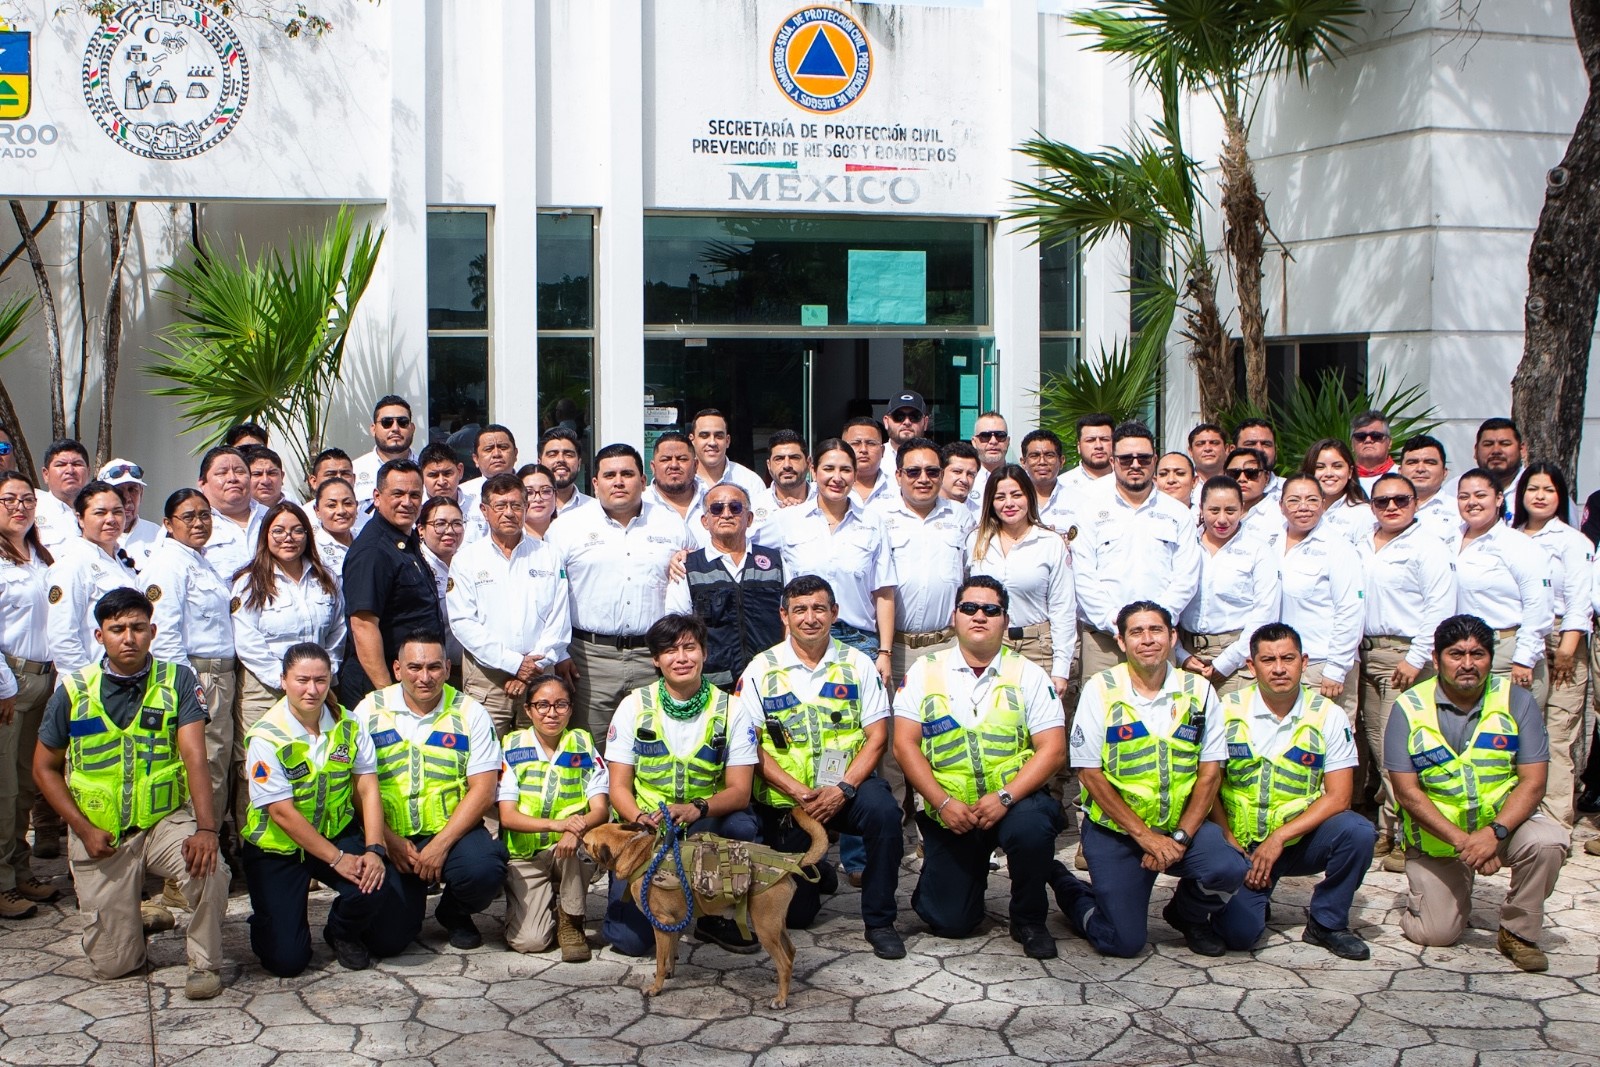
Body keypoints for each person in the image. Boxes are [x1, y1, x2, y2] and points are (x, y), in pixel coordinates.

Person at [32, 587, 228, 999]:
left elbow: (195, 756)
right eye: (117, 629)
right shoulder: (74, 690)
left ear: (152, 632)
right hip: (101, 832)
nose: (129, 638)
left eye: (138, 628)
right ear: (99, 635)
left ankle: (204, 963)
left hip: (162, 822)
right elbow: (44, 768)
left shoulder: (178, 680)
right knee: (116, 965)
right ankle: (136, 917)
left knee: (211, 867)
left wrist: (207, 829)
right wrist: (82, 829)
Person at [1051, 601, 1248, 958]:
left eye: (1156, 630)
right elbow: (1089, 774)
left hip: (1179, 827)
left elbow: (1209, 774)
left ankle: (1188, 915)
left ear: (1172, 637)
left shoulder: (1200, 691)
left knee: (1229, 867)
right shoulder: (1100, 689)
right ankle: (1072, 892)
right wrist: (1145, 837)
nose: (1147, 640)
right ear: (1121, 641)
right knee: (1122, 942)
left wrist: (1180, 838)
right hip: (1118, 832)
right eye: (1136, 632)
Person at [894, 576, 1068, 959]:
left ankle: (1029, 918)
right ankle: (950, 880)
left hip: (1013, 803)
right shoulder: (925, 670)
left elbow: (1053, 750)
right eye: (969, 608)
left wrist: (1005, 797)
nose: (979, 616)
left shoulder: (1029, 674)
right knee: (951, 922)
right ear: (954, 616)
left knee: (1033, 829)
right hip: (952, 811)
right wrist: (941, 803)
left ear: (1005, 620)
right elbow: (904, 744)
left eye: (991, 610)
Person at [1387, 615, 1569, 972]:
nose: (1467, 664)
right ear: (1436, 659)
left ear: (1491, 658)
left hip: (1502, 829)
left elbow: (1533, 782)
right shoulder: (1408, 707)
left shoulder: (1517, 701)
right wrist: (1467, 844)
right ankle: (1439, 894)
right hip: (1438, 840)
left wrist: (1492, 834)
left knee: (1549, 841)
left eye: (1478, 654)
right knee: (1437, 933)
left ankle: (1518, 932)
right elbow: (1407, 793)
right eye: (1456, 654)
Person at [742, 576, 905, 958]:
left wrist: (843, 789)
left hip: (847, 789)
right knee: (799, 916)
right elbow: (751, 746)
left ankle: (880, 921)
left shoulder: (857, 664)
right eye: (799, 610)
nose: (810, 618)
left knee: (884, 813)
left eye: (819, 608)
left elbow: (877, 737)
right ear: (784, 616)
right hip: (788, 801)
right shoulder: (760, 669)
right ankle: (823, 872)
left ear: (834, 612)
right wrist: (797, 791)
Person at [240, 643, 408, 975]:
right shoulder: (266, 736)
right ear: (283, 681)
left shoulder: (349, 723)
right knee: (287, 961)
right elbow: (281, 813)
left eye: (320, 680)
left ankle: (341, 931)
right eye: (302, 680)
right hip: (279, 848)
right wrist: (337, 859)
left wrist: (374, 849)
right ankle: (271, 920)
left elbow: (367, 787)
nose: (312, 690)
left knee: (374, 885)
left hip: (334, 832)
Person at [1209, 624, 1374, 958]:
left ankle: (1327, 923)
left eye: (1288, 658)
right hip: (1239, 843)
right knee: (1238, 936)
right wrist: (1229, 841)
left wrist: (1279, 839)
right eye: (1268, 660)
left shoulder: (1329, 715)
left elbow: (1340, 797)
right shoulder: (1225, 710)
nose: (1279, 668)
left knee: (1358, 831)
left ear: (1304, 662)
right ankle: (1250, 894)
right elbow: (1209, 785)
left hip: (1297, 842)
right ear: (1251, 666)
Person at [601, 613, 760, 957]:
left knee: (740, 825)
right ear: (656, 660)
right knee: (629, 942)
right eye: (670, 650)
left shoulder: (732, 709)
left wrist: (696, 808)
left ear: (705, 652)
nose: (682, 658)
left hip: (703, 821)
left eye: (690, 647)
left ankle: (713, 912)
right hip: (646, 830)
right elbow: (618, 788)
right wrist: (639, 818)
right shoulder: (633, 706)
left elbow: (739, 791)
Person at [356, 629, 507, 950]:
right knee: (387, 942)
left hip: (450, 833)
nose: (424, 677)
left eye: (434, 667)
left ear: (448, 669)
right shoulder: (368, 711)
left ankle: (454, 912)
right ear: (397, 669)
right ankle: (397, 909)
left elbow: (483, 789)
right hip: (390, 836)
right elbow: (356, 787)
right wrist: (386, 840)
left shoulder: (470, 712)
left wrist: (440, 845)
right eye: (414, 667)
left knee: (484, 870)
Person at [546, 443, 692, 738]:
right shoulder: (566, 528)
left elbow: (693, 576)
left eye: (627, 474)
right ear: (595, 482)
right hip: (589, 660)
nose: (619, 482)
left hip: (653, 657)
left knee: (654, 744)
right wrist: (558, 653)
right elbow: (548, 596)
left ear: (643, 480)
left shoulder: (671, 524)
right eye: (610, 475)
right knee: (591, 746)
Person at [1359, 472, 1459, 869]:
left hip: (1404, 657)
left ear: (1415, 503)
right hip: (1367, 654)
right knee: (1377, 746)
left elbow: (1440, 605)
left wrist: (1416, 657)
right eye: (1382, 501)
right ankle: (1387, 828)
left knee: (1398, 750)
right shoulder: (1362, 542)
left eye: (1400, 499)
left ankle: (1407, 833)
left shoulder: (1427, 546)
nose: (1391, 507)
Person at [231, 501, 346, 817]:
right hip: (265, 688)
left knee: (314, 760)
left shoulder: (326, 578)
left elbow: (338, 630)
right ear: (265, 536)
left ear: (308, 535)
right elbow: (247, 640)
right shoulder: (249, 581)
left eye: (297, 531)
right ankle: (254, 842)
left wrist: (327, 671)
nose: (288, 538)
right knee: (258, 769)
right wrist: (282, 680)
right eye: (279, 531)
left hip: (316, 688)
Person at [1072, 421, 1203, 677]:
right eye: (1126, 459)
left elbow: (1186, 577)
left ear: (1154, 461)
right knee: (1103, 703)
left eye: (1143, 458)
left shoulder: (1177, 513)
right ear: (1113, 462)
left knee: (1163, 702)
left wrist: (1154, 624)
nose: (1135, 465)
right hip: (1104, 640)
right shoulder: (1089, 512)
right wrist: (1116, 622)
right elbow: (1084, 577)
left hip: (1159, 640)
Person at [141, 489, 237, 838]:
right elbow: (162, 635)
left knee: (216, 764)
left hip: (220, 676)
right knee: (201, 764)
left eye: (205, 515)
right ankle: (193, 849)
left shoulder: (200, 560)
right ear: (168, 523)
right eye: (188, 516)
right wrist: (188, 687)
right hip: (198, 677)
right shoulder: (167, 564)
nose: (199, 523)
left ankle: (209, 843)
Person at [448, 473, 571, 735]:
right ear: (484, 510)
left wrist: (530, 669)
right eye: (500, 506)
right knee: (484, 752)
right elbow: (463, 623)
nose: (509, 513)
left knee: (537, 751)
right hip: (487, 679)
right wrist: (515, 664)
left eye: (516, 505)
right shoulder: (466, 560)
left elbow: (559, 619)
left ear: (526, 508)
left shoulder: (548, 555)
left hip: (540, 677)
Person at [498, 673, 608, 960]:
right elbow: (507, 816)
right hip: (526, 856)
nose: (551, 713)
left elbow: (600, 809)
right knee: (531, 941)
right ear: (528, 710)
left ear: (570, 709)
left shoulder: (583, 744)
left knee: (579, 848)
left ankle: (571, 921)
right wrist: (557, 824)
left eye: (561, 704)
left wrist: (573, 830)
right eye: (542, 705)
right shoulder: (511, 746)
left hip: (567, 850)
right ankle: (540, 908)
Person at [774, 438, 896, 689]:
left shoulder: (873, 523)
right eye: (828, 469)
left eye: (845, 470)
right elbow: (742, 541)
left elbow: (884, 592)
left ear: (855, 474)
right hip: (802, 640)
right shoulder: (787, 521)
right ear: (813, 470)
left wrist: (885, 652)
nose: (837, 478)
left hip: (859, 641)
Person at [1514, 462, 1592, 826]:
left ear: (1561, 496)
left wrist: (1567, 649)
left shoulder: (1572, 540)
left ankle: (1557, 818)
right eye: (1533, 489)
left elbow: (1580, 598)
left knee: (1558, 732)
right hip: (1521, 639)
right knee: (1521, 732)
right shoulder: (1510, 537)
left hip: (1562, 640)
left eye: (1549, 490)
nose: (1540, 496)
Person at [0, 471, 58, 914]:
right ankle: (2, 883)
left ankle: (20, 872)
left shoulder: (41, 556)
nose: (19, 507)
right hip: (9, 681)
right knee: (3, 789)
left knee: (23, 785)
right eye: (8, 500)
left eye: (26, 500)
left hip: (44, 679)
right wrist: (4, 686)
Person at [966, 464, 1074, 697]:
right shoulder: (976, 540)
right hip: (988, 647)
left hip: (1039, 648)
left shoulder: (1050, 543)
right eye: (1000, 497)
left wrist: (1061, 669)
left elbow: (1063, 609)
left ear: (1029, 496)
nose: (1009, 503)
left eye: (1016, 495)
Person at [665, 483, 785, 688]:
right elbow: (677, 629)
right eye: (717, 508)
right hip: (714, 683)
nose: (726, 514)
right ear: (705, 521)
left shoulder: (775, 561)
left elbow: (790, 619)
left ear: (749, 518)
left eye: (735, 508)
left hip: (771, 677)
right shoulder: (688, 567)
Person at [877, 439, 972, 682]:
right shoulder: (878, 517)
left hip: (947, 647)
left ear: (941, 475)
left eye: (932, 471)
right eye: (913, 472)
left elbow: (971, 576)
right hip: (895, 650)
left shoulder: (960, 515)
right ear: (898, 475)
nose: (923, 479)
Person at [1179, 477, 1280, 698]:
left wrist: (1227, 661)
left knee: (1234, 719)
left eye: (1231, 510)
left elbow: (1265, 611)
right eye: (1214, 510)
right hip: (1186, 654)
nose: (1222, 519)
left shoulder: (1257, 550)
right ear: (1201, 508)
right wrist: (1180, 654)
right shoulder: (1185, 545)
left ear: (1242, 508)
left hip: (1237, 656)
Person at [1455, 468, 1551, 699]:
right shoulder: (1448, 539)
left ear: (1499, 498)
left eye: (1480, 495)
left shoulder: (1517, 545)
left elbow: (1538, 603)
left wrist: (1524, 659)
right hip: (1459, 653)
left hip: (1506, 654)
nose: (1472, 502)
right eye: (1464, 496)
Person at [1277, 475, 1364, 720]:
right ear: (1281, 506)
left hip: (1322, 665)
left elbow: (1350, 610)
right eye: (1294, 500)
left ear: (1323, 504)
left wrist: (1336, 668)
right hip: (1281, 663)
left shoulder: (1338, 547)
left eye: (1312, 500)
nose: (1303, 507)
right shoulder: (1270, 542)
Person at [46, 481, 139, 672]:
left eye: (117, 512)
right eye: (100, 513)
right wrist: (86, 684)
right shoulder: (72, 565)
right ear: (80, 518)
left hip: (127, 677)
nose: (111, 519)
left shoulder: (123, 562)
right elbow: (62, 637)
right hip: (93, 679)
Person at [197, 446, 265, 583]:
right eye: (221, 473)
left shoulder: (272, 517)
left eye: (240, 472)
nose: (232, 478)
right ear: (202, 483)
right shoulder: (188, 525)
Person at [418, 497, 466, 680]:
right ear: (421, 529)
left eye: (456, 524)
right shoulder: (414, 566)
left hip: (468, 668)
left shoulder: (469, 562)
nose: (450, 531)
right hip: (428, 672)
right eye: (440, 524)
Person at [352, 395, 420, 509]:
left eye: (402, 422)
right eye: (387, 422)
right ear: (373, 429)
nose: (395, 428)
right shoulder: (354, 471)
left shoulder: (428, 471)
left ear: (412, 428)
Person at [749, 430, 812, 548]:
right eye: (779, 459)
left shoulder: (824, 502)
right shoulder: (752, 507)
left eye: (794, 458)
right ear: (769, 465)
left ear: (808, 463)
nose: (787, 465)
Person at [1303, 438, 1373, 542]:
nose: (1329, 473)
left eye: (1337, 466)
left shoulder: (1364, 514)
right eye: (1320, 467)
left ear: (1350, 472)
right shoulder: (1296, 510)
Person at [691, 409, 767, 498]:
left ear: (727, 441)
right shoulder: (681, 479)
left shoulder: (750, 482)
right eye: (704, 436)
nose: (712, 442)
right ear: (692, 440)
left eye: (719, 436)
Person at [100, 459, 161, 570]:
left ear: (141, 493)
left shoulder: (157, 534)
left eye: (132, 490)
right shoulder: (93, 535)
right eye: (119, 491)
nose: (127, 498)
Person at [32, 440, 91, 553]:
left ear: (88, 472)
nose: (70, 470)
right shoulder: (31, 512)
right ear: (46, 474)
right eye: (61, 464)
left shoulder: (102, 512)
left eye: (77, 464)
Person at [1398, 435, 1457, 542]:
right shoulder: (1383, 507)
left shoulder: (1459, 511)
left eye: (1430, 462)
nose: (1420, 469)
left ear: (1444, 472)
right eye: (1412, 462)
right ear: (1400, 471)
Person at [458, 424, 520, 525]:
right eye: (488, 449)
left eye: (503, 447)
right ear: (476, 459)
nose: (496, 454)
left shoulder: (533, 491)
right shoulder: (462, 494)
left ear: (515, 454)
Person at [646, 431, 705, 534]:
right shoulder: (639, 504)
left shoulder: (714, 502)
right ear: (653, 467)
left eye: (682, 459)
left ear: (695, 465)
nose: (674, 465)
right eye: (665, 459)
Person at [1018, 429, 1073, 534]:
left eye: (1049, 455)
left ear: (1061, 461)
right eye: (1034, 456)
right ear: (1023, 462)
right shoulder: (1012, 501)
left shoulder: (1079, 501)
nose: (1042, 462)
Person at [1221, 446, 1278, 547]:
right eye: (1234, 473)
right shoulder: (1214, 509)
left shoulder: (1280, 512)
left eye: (1251, 473)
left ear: (1267, 478)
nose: (1242, 479)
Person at [1473, 418, 1525, 522]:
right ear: (1476, 451)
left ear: (1522, 450)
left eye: (1505, 444)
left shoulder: (1539, 487)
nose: (1496, 451)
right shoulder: (1455, 489)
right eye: (1488, 444)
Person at [309, 476, 359, 577]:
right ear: (317, 511)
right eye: (331, 505)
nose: (341, 511)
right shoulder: (313, 551)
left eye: (347, 503)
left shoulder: (366, 539)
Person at [538, 428, 595, 515]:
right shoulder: (527, 509)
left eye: (568, 455)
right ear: (539, 463)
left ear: (579, 463)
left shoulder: (595, 510)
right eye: (552, 455)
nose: (561, 460)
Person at [843, 417, 895, 510]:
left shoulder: (898, 489)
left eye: (871, 443)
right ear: (842, 450)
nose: (863, 450)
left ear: (882, 451)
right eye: (856, 443)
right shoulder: (827, 488)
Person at [880, 391, 931, 477]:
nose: (907, 422)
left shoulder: (936, 459)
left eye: (914, 416)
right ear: (886, 422)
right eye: (899, 416)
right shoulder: (874, 458)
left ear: (925, 422)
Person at [1060, 414, 1114, 491]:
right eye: (1090, 440)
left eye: (1104, 439)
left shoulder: (1127, 481)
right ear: (1079, 446)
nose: (1098, 446)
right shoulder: (1062, 485)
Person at [1234, 419, 1283, 503]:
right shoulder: (1218, 491)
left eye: (1266, 444)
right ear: (1233, 450)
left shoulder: (1292, 491)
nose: (1259, 449)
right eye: (1250, 444)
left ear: (1275, 450)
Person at [968, 411, 1010, 505]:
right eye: (985, 436)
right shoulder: (965, 481)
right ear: (974, 442)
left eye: (1000, 435)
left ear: (1008, 441)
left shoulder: (1022, 479)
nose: (993, 441)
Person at [1350, 411, 1395, 492]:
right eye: (1360, 436)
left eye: (1376, 436)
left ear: (1389, 443)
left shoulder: (1404, 474)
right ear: (1352, 444)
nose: (1368, 440)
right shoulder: (1343, 478)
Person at [518, 463, 560, 541]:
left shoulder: (569, 532)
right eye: (529, 492)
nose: (538, 499)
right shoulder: (508, 537)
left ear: (556, 496)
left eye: (545, 491)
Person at [1187, 422, 1228, 496]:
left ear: (1226, 449)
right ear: (1190, 451)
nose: (1207, 448)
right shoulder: (1183, 485)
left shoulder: (1239, 482)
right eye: (1200, 444)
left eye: (1214, 443)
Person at [940, 441, 982, 511]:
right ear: (941, 473)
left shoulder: (982, 514)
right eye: (957, 472)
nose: (964, 480)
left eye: (970, 474)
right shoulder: (924, 510)